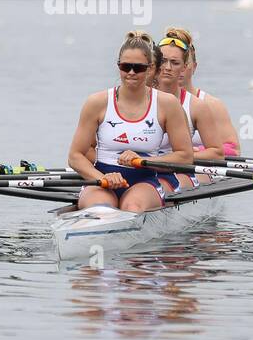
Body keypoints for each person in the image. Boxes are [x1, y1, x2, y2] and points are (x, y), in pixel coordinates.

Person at [67, 31, 193, 213]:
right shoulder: (97, 102)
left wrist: (141, 160)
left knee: (131, 207)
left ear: (150, 69)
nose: (131, 72)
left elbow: (185, 156)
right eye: (126, 67)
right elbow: (75, 156)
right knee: (99, 210)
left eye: (138, 68)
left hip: (145, 180)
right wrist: (103, 178)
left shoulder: (167, 104)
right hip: (102, 177)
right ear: (118, 67)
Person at [158, 27, 241, 158]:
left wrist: (193, 151)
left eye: (176, 62)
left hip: (197, 168)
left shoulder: (210, 104)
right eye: (165, 61)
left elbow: (233, 149)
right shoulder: (148, 99)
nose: (170, 67)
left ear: (192, 66)